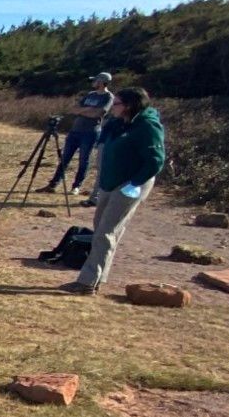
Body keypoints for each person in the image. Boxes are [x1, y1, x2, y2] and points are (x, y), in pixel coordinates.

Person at [63, 86, 163, 296]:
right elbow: (105, 141)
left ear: (129, 106)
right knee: (101, 227)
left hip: (130, 185)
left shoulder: (147, 126)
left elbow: (155, 160)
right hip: (110, 181)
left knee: (106, 231)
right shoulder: (118, 123)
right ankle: (98, 277)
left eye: (116, 104)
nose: (112, 108)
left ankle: (88, 282)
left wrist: (134, 184)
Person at [41, 72, 114, 196]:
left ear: (102, 82)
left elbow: (99, 113)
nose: (93, 82)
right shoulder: (90, 95)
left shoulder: (108, 97)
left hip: (90, 132)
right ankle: (53, 184)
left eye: (95, 80)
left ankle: (76, 186)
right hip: (75, 130)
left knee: (83, 160)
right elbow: (74, 109)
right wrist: (88, 110)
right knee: (65, 158)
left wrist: (83, 111)